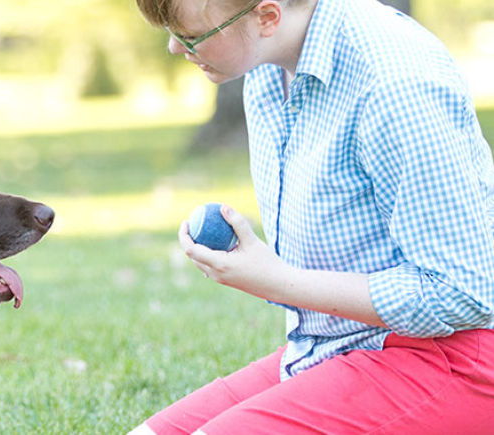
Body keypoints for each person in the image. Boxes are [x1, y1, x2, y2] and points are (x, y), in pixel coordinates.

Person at [128, 0, 494, 433]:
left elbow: (462, 293)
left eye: (192, 37)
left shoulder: (394, 80)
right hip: (335, 346)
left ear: (267, 17)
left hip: (453, 359)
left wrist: (275, 279)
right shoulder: (266, 65)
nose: (174, 47)